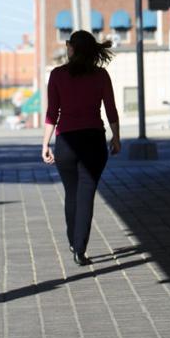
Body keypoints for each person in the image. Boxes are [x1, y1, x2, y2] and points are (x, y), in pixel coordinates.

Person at [41, 30, 121, 266]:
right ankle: (80, 248)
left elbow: (51, 113)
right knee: (86, 194)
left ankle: (73, 240)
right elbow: (111, 110)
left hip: (66, 141)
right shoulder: (101, 75)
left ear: (72, 48)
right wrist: (116, 138)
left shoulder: (57, 75)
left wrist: (45, 143)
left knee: (71, 193)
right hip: (94, 141)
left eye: (68, 44)